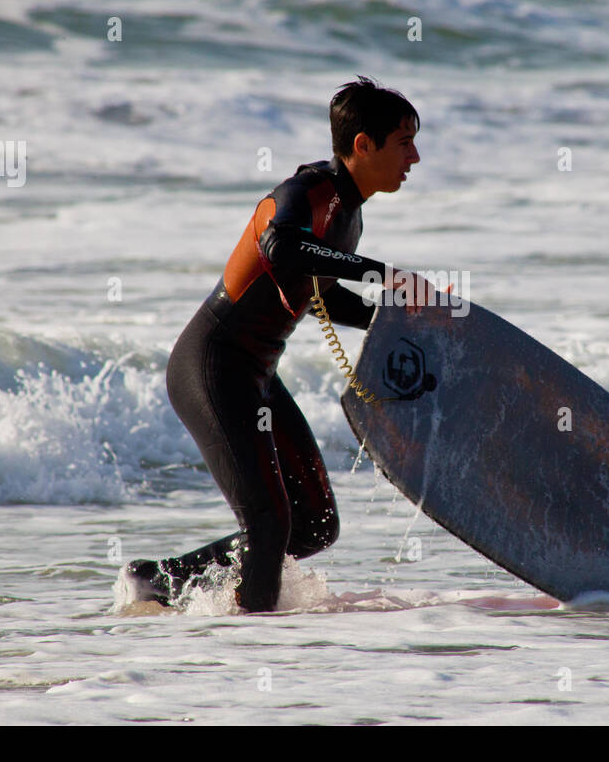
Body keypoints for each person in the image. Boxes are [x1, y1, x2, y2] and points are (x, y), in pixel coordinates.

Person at [123, 76, 423, 612]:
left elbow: (323, 298)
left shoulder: (349, 217)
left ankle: (160, 583)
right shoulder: (304, 193)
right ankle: (250, 657)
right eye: (405, 142)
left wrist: (402, 318)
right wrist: (381, 272)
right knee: (269, 522)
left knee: (312, 526)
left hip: (257, 373)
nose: (415, 157)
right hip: (214, 364)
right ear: (363, 145)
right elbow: (282, 248)